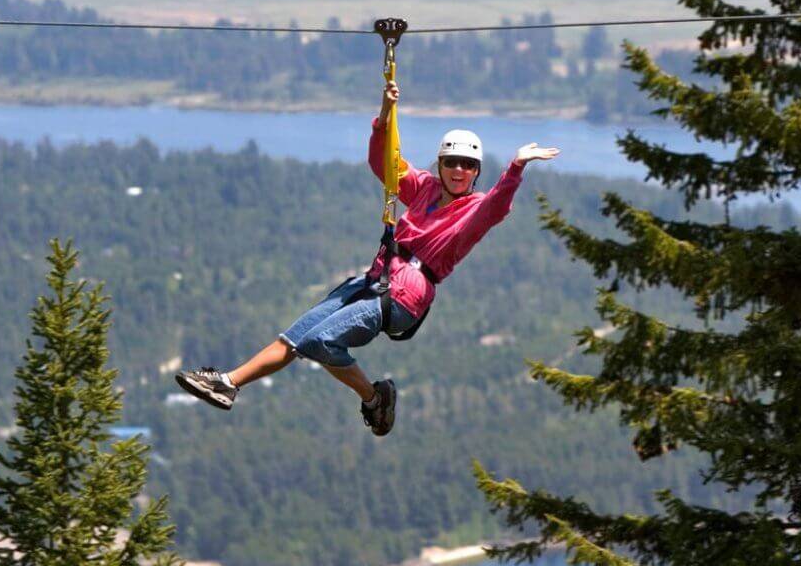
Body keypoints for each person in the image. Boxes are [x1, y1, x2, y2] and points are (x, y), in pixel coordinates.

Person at [176, 80, 560, 435]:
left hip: (402, 297)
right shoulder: (424, 188)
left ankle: (375, 398)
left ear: (477, 173)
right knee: (295, 338)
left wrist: (516, 167)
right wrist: (385, 115)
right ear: (439, 165)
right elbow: (384, 163)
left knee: (320, 341)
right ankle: (228, 383)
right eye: (452, 162)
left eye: (469, 165)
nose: (460, 170)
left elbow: (496, 206)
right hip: (375, 280)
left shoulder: (474, 211)